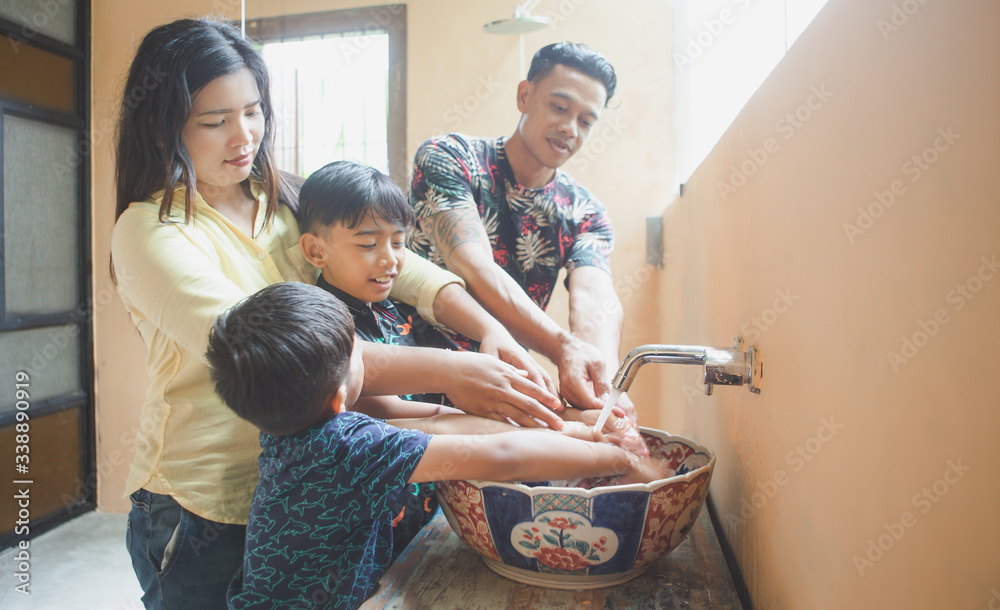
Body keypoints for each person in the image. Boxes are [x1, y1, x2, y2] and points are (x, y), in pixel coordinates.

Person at [110, 18, 563, 608]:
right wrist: (456, 374)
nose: (243, 137)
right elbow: (281, 353)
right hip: (205, 507)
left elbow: (401, 265)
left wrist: (489, 329)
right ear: (161, 123)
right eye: (215, 121)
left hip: (303, 481)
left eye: (253, 111)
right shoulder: (149, 231)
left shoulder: (288, 202)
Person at [205, 282, 665, 609]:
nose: (368, 353)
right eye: (358, 350)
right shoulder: (347, 449)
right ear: (338, 395)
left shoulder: (291, 428)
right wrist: (617, 458)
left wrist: (576, 428)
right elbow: (501, 457)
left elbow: (440, 423)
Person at [408, 42, 635, 417]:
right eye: (559, 108)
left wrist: (603, 385)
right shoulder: (449, 158)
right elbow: (472, 263)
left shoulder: (585, 212)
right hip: (411, 370)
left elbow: (595, 298)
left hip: (504, 381)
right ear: (524, 96)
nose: (569, 129)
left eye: (585, 121)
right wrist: (563, 347)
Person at [298, 160, 551, 405]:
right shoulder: (325, 329)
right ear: (316, 251)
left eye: (398, 243)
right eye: (368, 245)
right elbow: (395, 417)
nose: (390, 259)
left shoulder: (403, 313)